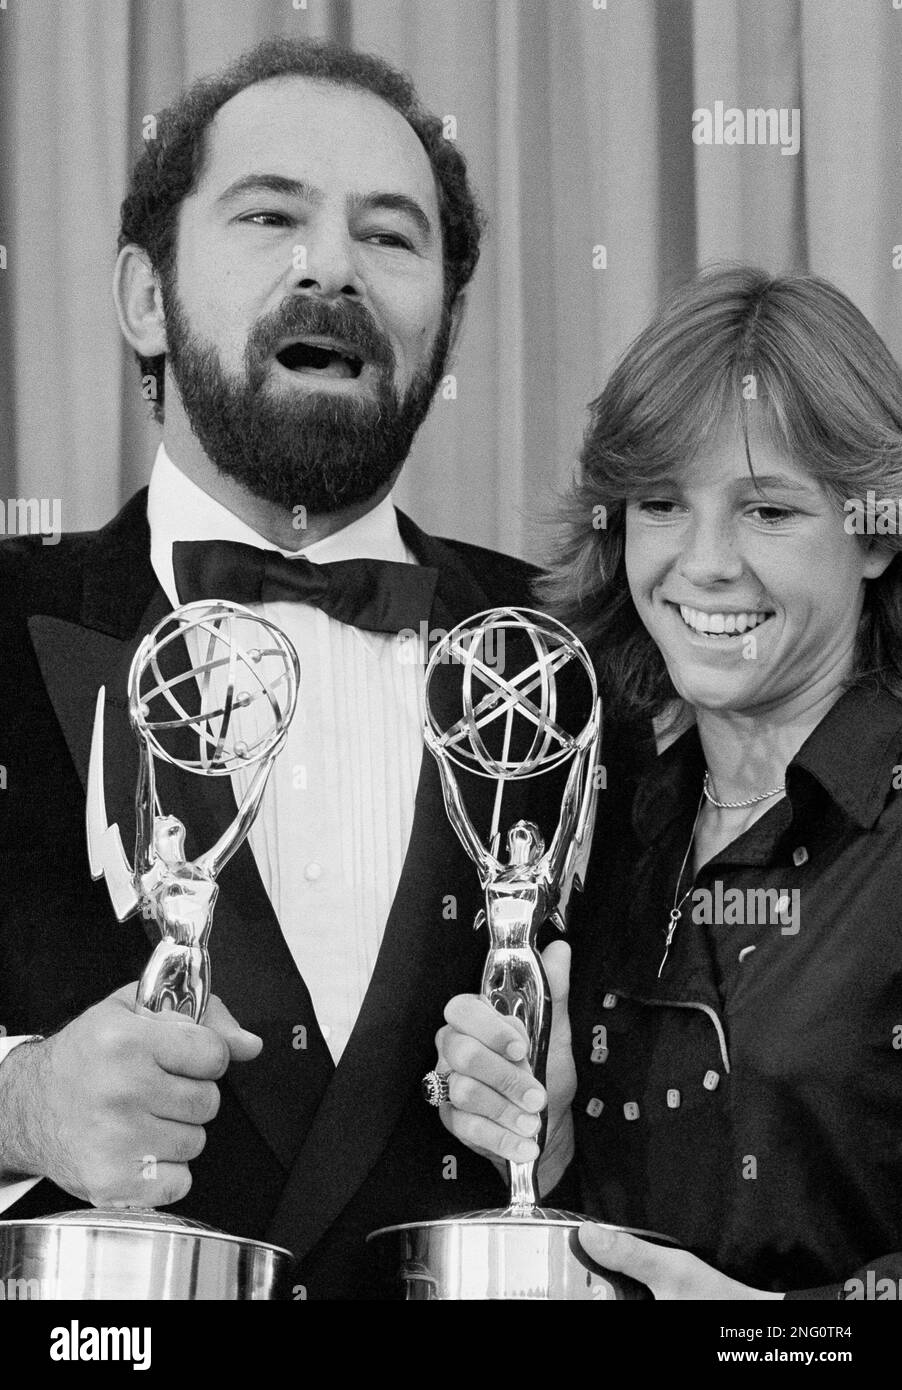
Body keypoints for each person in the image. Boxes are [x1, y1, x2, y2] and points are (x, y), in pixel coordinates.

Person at [0, 36, 601, 1299]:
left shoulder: (577, 648)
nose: (330, 265)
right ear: (145, 297)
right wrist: (23, 1105)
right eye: (270, 215)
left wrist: (578, 1110)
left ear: (445, 324)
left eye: (388, 235)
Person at [436, 266, 902, 1299]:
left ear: (872, 532)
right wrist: (553, 1139)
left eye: (766, 510)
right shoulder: (608, 828)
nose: (704, 563)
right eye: (660, 504)